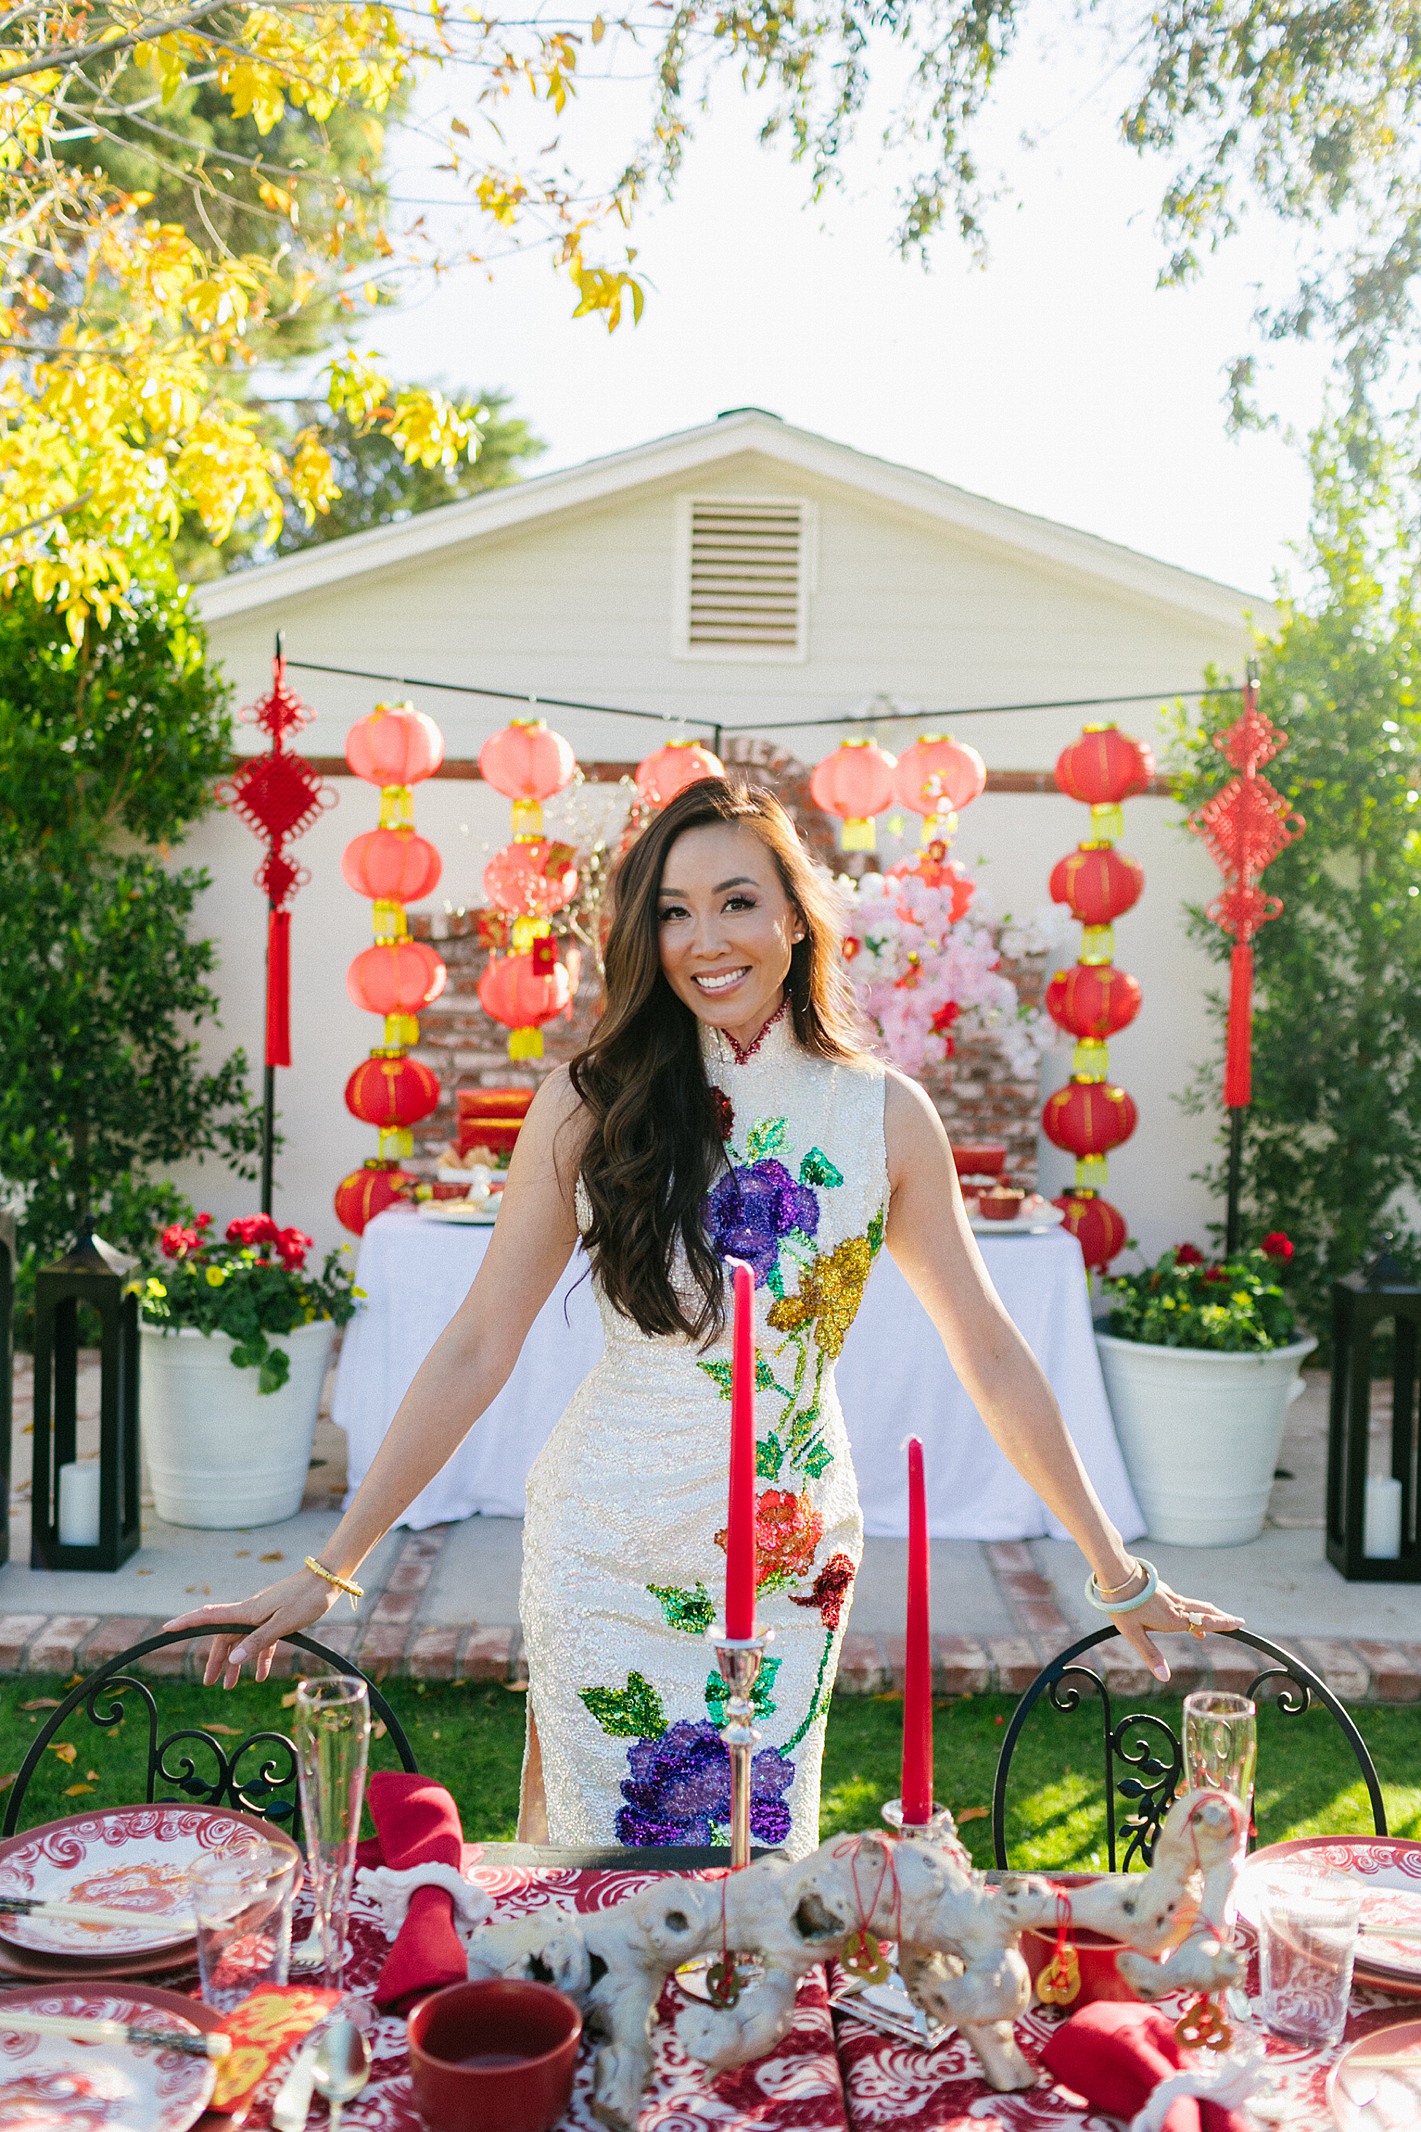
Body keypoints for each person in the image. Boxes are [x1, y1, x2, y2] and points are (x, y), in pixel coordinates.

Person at [167, 777, 1242, 1856]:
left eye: (735, 900)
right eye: (671, 911)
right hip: (605, 1547)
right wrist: (331, 1564)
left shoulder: (881, 1113)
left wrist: (1118, 1571)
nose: (703, 938)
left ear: (793, 914)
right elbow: (476, 1343)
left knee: (755, 1898)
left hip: (788, 1559)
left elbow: (991, 1351)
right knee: (612, 1898)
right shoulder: (590, 1104)